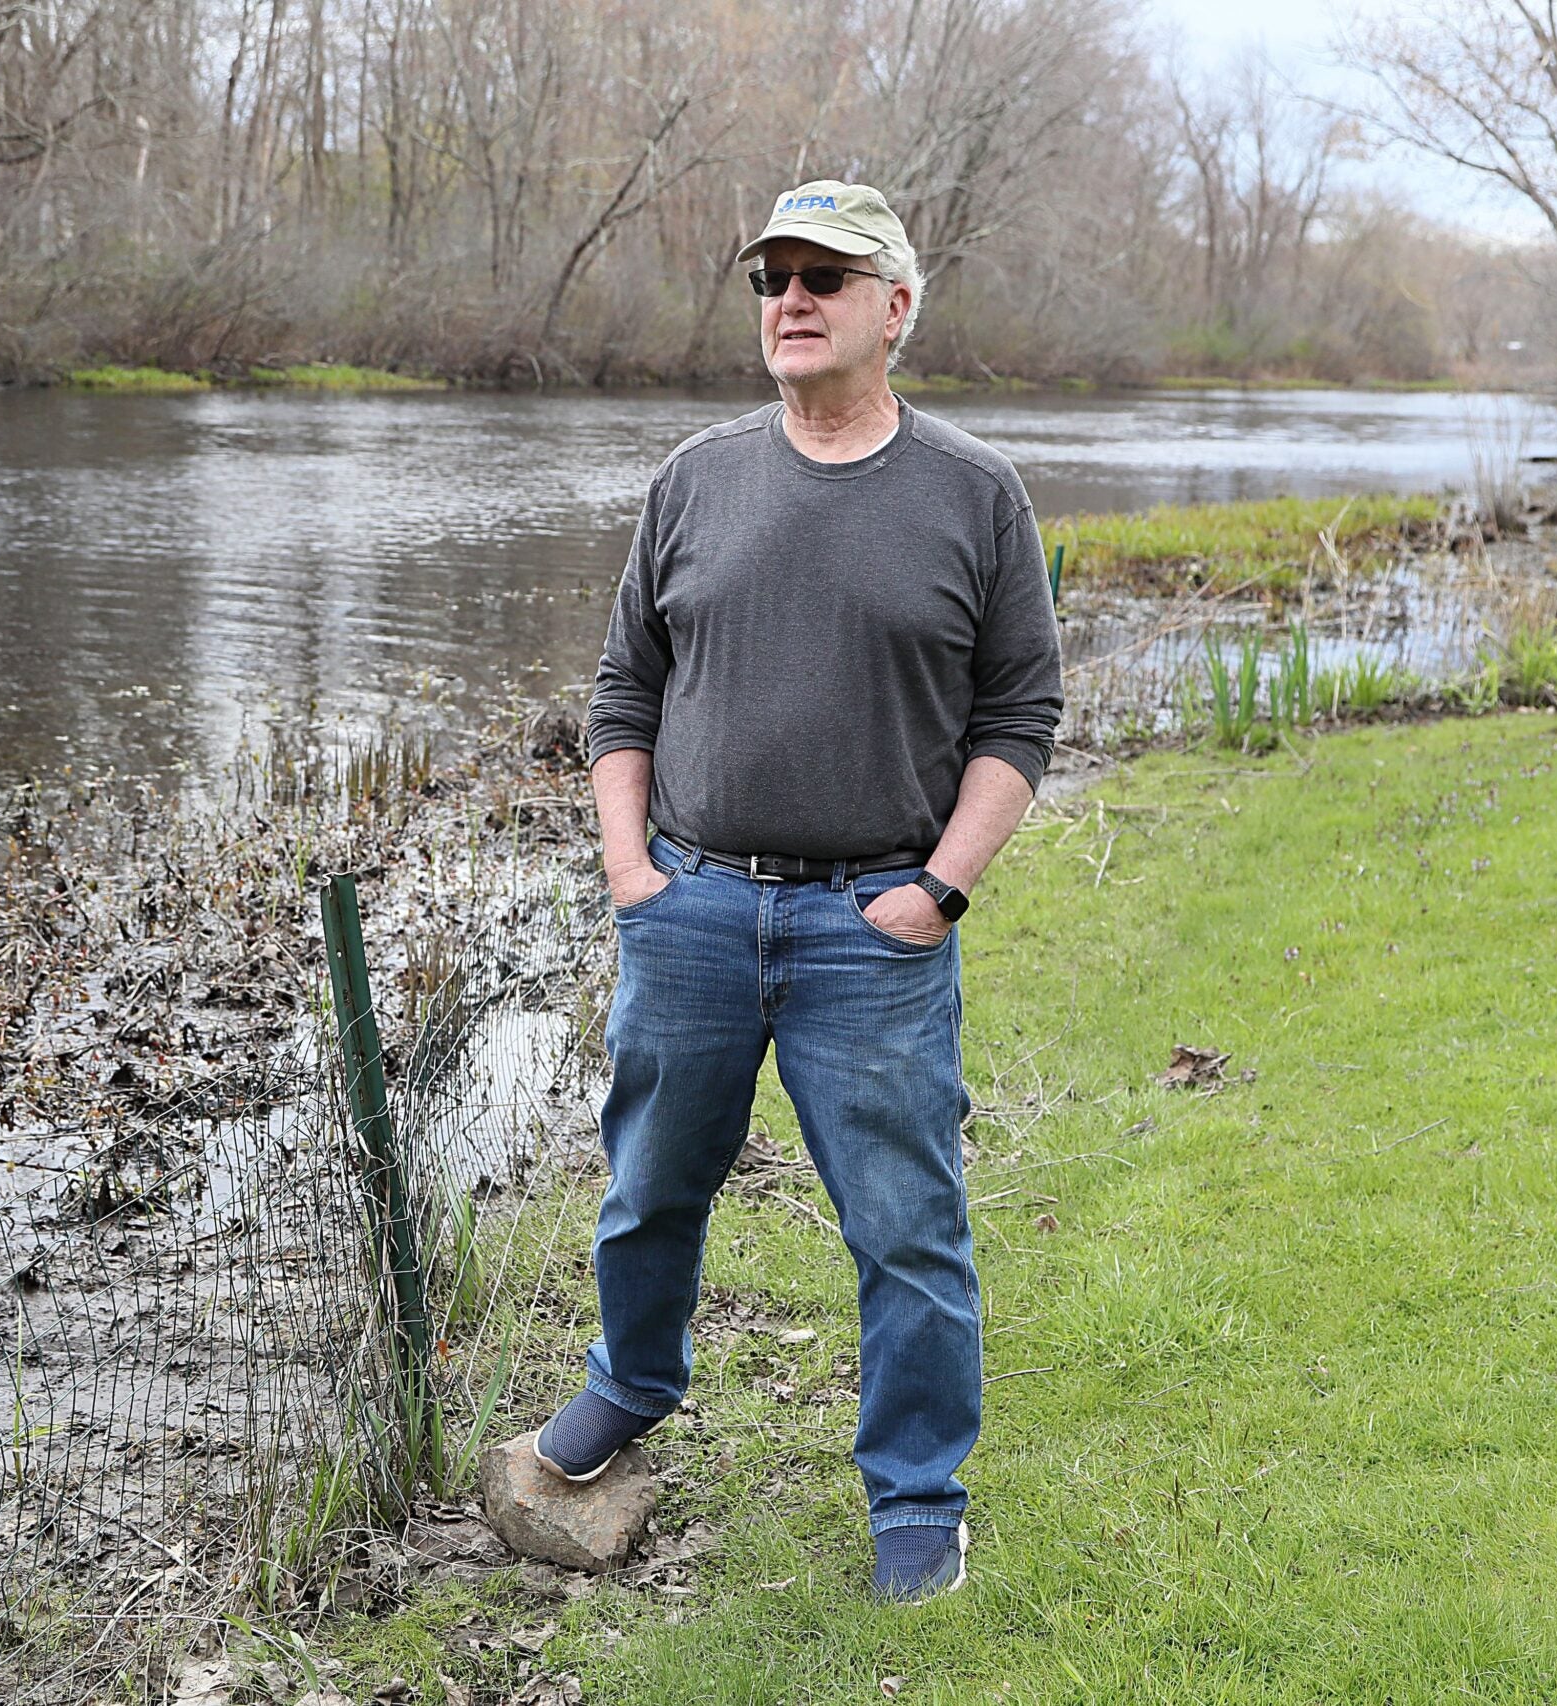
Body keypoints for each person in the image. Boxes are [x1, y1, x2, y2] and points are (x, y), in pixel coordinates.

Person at [541, 178, 1063, 1604]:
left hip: (872, 931)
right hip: (694, 909)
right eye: (774, 274)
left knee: (907, 1226)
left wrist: (938, 893)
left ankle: (915, 1496)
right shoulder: (696, 480)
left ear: (896, 309)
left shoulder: (973, 494)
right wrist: (634, 872)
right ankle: (632, 1383)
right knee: (648, 1187)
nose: (791, 298)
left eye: (826, 277)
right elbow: (621, 692)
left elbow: (1021, 717)